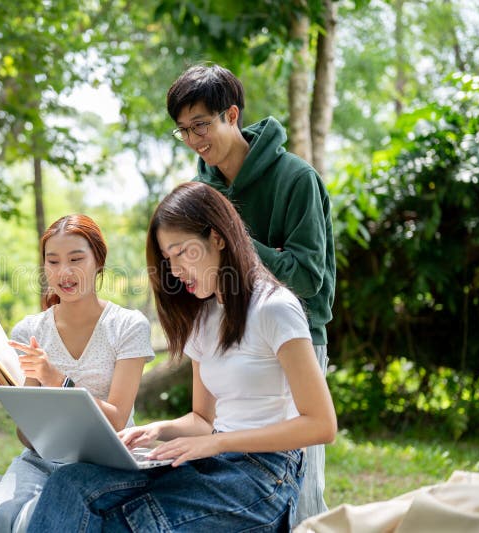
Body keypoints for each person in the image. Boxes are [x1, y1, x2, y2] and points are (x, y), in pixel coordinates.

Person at [26, 182, 337, 532]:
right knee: (70, 483)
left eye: (182, 253)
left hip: (265, 475)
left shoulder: (275, 308)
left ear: (217, 238)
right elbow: (202, 419)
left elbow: (321, 425)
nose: (174, 270)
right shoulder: (203, 316)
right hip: (212, 460)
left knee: (127, 524)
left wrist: (216, 442)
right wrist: (156, 429)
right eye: (168, 258)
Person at [166, 63, 336, 522]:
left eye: (201, 124)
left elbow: (307, 278)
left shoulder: (296, 179)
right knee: (233, 482)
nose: (194, 139)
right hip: (228, 340)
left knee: (300, 491)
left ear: (232, 115)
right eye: (183, 130)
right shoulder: (202, 190)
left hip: (293, 339)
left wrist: (233, 237)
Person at [0, 214, 155, 533]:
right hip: (40, 461)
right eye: (53, 261)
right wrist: (21, 403)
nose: (63, 272)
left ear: (98, 261)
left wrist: (57, 381)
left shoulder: (128, 326)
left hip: (105, 464)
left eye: (76, 259)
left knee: (31, 521)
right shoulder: (29, 331)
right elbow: (27, 438)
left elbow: (118, 420)